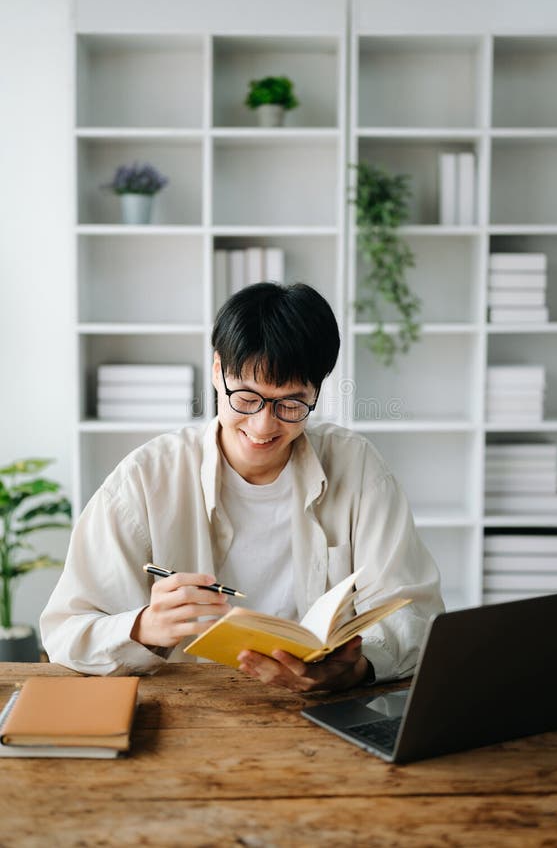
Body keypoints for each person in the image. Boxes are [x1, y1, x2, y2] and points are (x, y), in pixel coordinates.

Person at [41, 282, 444, 691]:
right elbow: (64, 632)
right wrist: (144, 626)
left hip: (326, 707)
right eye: (247, 398)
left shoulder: (358, 468)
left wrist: (356, 668)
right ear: (218, 372)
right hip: (192, 709)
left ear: (317, 391)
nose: (263, 426)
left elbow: (415, 613)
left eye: (290, 404)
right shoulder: (146, 478)